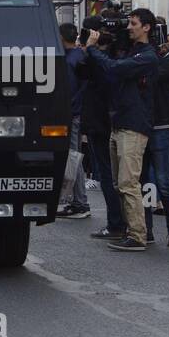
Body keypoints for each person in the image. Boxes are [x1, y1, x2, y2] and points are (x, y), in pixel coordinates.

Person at [85, 8, 160, 251]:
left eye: (133, 24)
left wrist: (93, 49)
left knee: (129, 183)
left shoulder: (147, 56)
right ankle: (130, 230)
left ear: (146, 27)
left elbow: (115, 69)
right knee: (120, 183)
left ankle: (138, 235)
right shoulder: (131, 50)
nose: (128, 28)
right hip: (119, 123)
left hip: (134, 125)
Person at [78, 17, 126, 240]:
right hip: (108, 120)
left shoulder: (113, 58)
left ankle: (117, 223)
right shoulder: (114, 54)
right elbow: (81, 72)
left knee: (110, 175)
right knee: (117, 176)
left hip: (104, 120)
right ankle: (127, 224)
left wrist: (92, 50)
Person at [144, 35, 169, 247]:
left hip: (160, 125)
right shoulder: (160, 62)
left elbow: (153, 77)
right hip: (144, 125)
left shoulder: (168, 63)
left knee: (162, 180)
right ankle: (147, 229)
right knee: (145, 182)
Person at [56, 22, 91, 219]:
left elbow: (68, 91)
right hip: (78, 112)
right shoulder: (79, 57)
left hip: (71, 114)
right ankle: (78, 201)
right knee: (74, 156)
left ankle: (80, 203)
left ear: (61, 37)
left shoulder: (70, 60)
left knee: (73, 158)